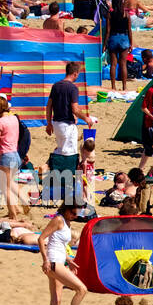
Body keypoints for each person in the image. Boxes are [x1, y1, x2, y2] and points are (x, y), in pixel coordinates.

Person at [45, 61, 92, 203]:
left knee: (60, 150)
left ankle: (58, 184)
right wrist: (86, 118)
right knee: (69, 155)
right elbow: (75, 108)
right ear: (75, 73)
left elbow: (49, 106)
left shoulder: (56, 85)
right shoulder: (72, 88)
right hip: (66, 124)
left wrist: (48, 123)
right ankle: (66, 189)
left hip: (57, 123)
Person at [39, 203, 85, 305]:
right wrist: (45, 260)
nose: (74, 216)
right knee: (81, 289)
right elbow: (41, 239)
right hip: (53, 263)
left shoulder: (67, 222)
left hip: (59, 261)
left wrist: (68, 259)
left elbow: (59, 244)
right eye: (73, 213)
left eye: (77, 214)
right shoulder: (58, 220)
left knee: (56, 301)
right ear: (66, 209)